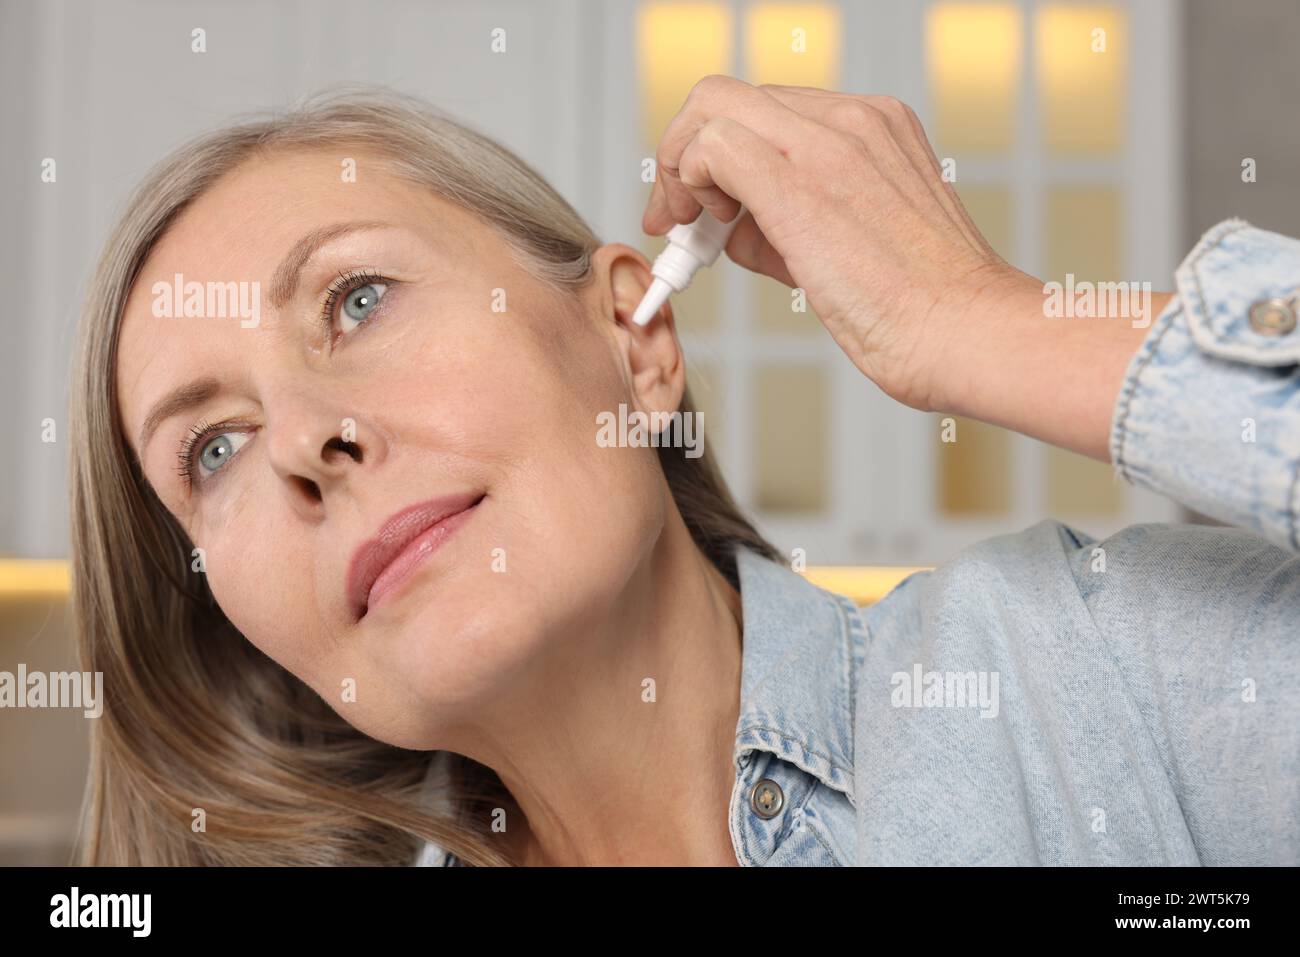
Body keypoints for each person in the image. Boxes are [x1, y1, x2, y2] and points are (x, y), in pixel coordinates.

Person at [70, 81, 1296, 868]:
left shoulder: (1094, 675)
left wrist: (980, 321)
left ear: (633, 339)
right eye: (211, 450)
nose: (298, 444)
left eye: (357, 299)